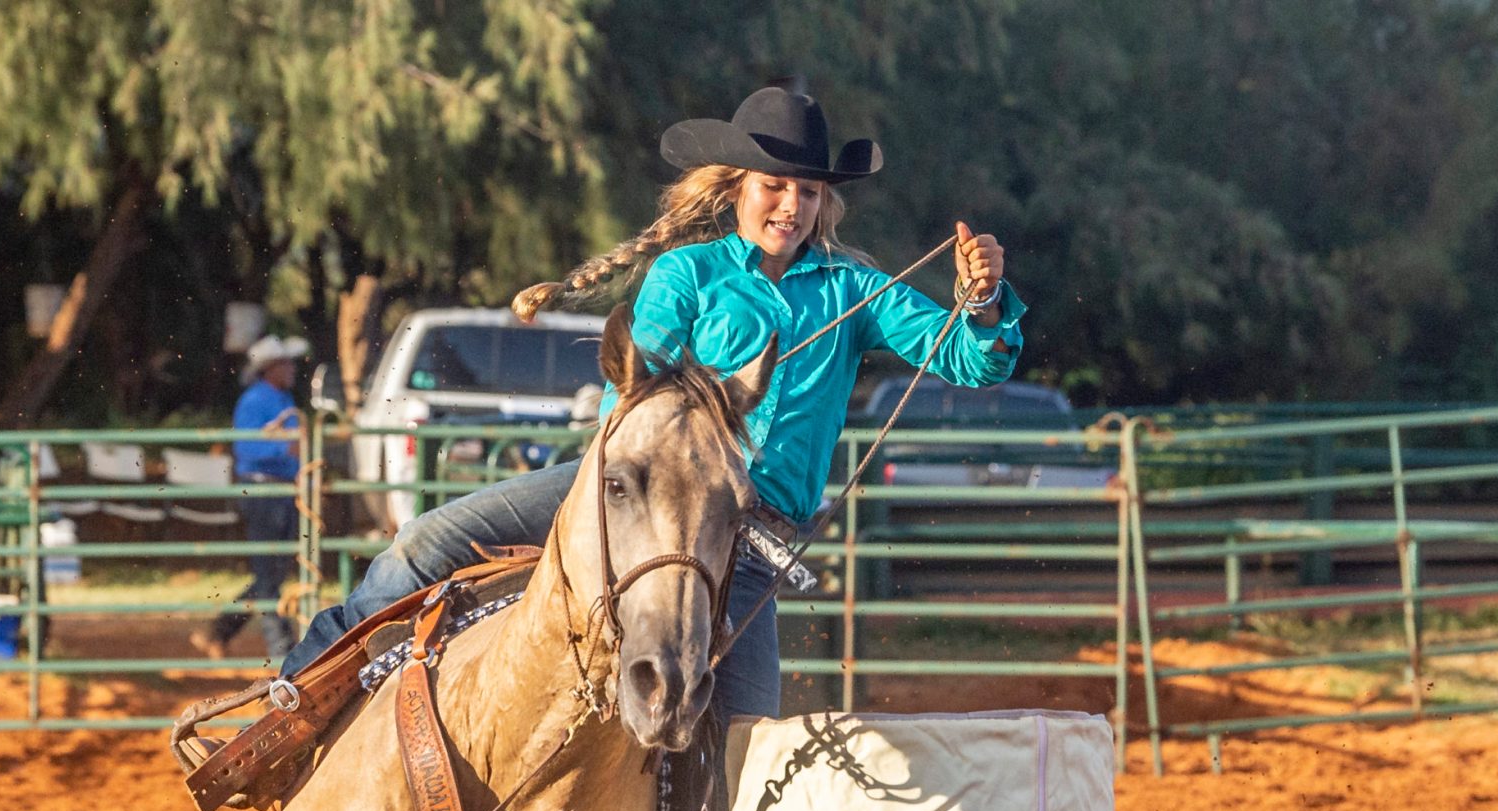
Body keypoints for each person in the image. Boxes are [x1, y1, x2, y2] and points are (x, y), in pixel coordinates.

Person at [275, 79, 1025, 730]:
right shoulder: (686, 274)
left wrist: (983, 301)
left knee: (742, 734)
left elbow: (966, 357)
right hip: (634, 496)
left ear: (824, 200)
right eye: (774, 185)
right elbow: (629, 393)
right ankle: (298, 692)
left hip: (751, 538)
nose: (790, 205)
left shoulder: (855, 291)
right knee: (426, 542)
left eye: (807, 190)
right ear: (736, 186)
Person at [196, 335, 309, 662]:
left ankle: (221, 630)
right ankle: (284, 652)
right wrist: (285, 448)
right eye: (285, 363)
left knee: (270, 574)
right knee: (269, 574)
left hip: (282, 490)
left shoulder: (279, 398)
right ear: (269, 368)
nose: (291, 369)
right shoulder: (255, 400)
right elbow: (246, 446)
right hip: (264, 491)